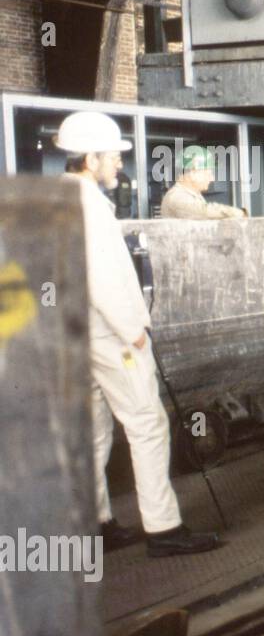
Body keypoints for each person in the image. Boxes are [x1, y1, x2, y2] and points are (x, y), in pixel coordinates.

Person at [56, 112, 221, 557]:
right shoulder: (88, 206)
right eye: (111, 157)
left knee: (91, 430)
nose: (117, 165)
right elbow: (104, 278)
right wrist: (134, 332)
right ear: (90, 159)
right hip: (107, 334)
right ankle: (164, 530)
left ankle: (95, 524)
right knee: (147, 423)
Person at [160, 146, 246, 219]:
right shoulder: (176, 196)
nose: (212, 178)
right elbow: (204, 211)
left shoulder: (193, 195)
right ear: (191, 173)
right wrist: (239, 213)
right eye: (207, 174)